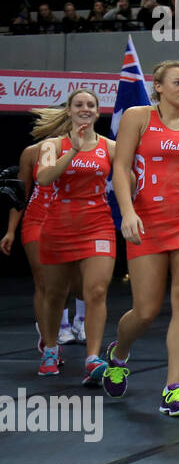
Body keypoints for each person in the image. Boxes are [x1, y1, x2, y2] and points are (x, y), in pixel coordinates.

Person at [102, 60, 179, 413]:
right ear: (159, 87)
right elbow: (120, 167)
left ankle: (174, 387)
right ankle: (119, 355)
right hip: (147, 221)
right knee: (147, 310)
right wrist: (128, 213)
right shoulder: (138, 117)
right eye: (178, 83)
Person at [32, 90, 117, 382]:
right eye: (79, 105)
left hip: (98, 225)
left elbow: (128, 178)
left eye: (90, 105)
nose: (85, 108)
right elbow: (43, 178)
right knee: (55, 294)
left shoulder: (110, 146)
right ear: (68, 111)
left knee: (96, 291)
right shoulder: (53, 145)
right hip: (58, 226)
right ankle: (51, 349)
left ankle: (93, 359)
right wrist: (74, 150)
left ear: (97, 112)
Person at [2, 134, 61, 372]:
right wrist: (10, 232)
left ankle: (55, 325)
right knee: (44, 283)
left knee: (66, 288)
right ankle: (50, 346)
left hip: (72, 221)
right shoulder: (35, 152)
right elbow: (21, 194)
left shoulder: (91, 148)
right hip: (38, 220)